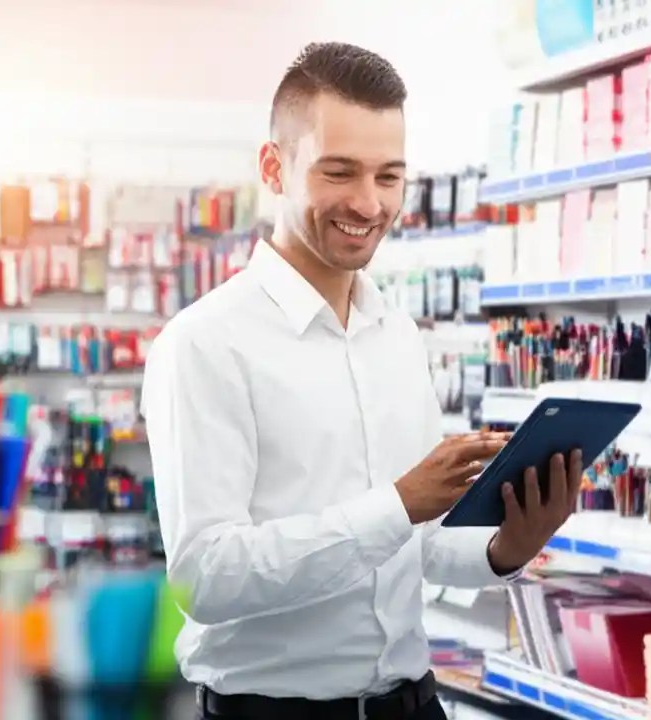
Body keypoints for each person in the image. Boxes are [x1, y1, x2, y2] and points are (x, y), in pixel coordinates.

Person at [141, 42, 582, 720]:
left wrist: (506, 547)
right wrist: (398, 503)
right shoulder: (205, 344)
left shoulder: (397, 337)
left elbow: (422, 546)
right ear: (274, 168)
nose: (368, 203)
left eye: (389, 176)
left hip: (414, 705)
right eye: (339, 172)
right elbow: (206, 578)